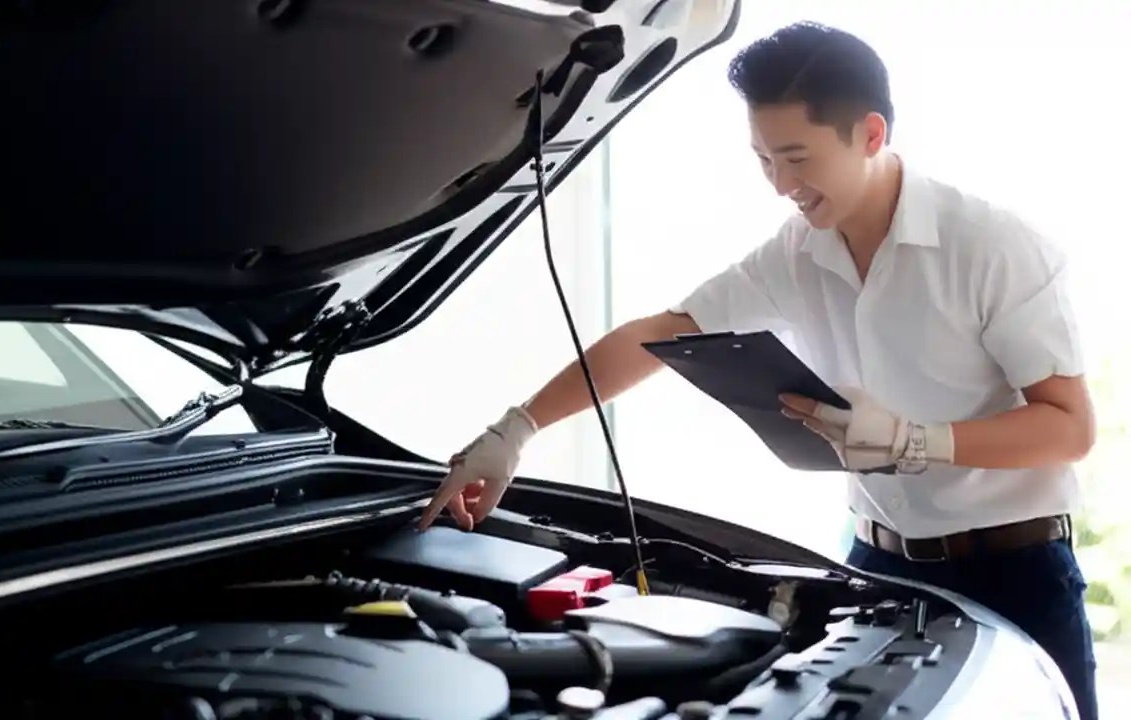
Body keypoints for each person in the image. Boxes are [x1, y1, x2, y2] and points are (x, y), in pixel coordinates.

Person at [416, 20, 1100, 720]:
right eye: (764, 159)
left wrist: (916, 441)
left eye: (797, 158)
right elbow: (658, 335)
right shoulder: (797, 253)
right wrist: (517, 428)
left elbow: (1070, 428)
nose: (780, 185)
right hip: (874, 566)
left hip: (1015, 573)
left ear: (870, 134)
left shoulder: (992, 247)